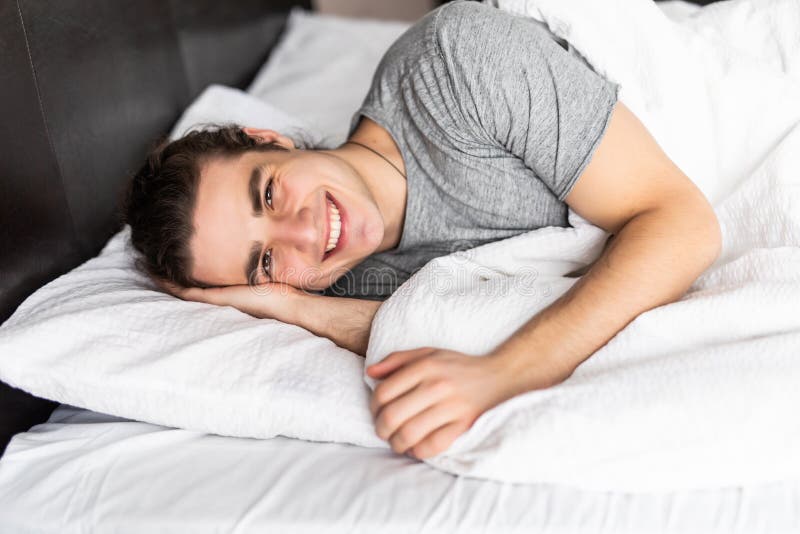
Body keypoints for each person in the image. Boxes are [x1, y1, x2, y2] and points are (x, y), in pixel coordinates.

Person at [120, 1, 721, 460]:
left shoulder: (456, 67)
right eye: (265, 261)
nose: (303, 233)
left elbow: (682, 222)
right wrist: (290, 305)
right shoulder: (334, 283)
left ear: (268, 139)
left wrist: (505, 373)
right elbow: (414, 322)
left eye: (270, 192)